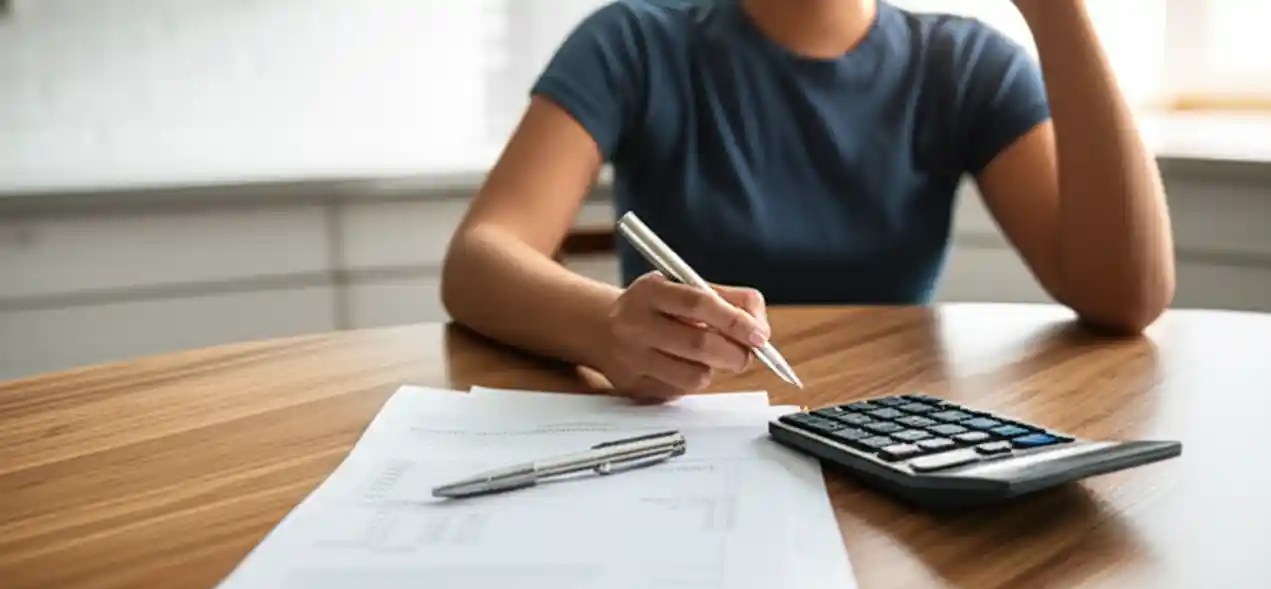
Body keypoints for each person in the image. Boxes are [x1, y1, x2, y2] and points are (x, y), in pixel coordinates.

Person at [440, 0, 1176, 401]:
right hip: (682, 437)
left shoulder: (965, 64)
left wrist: (1057, 10)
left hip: (888, 444)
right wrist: (602, 326)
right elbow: (482, 258)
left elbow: (1126, 297)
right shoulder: (634, 39)